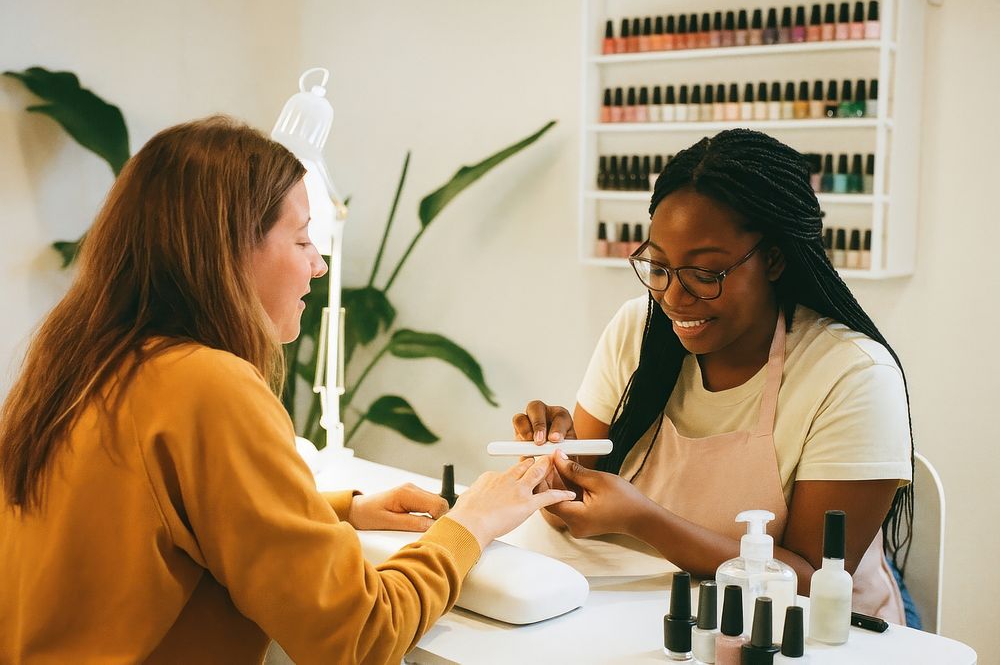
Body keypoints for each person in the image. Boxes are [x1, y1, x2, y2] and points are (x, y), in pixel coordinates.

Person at [0, 116, 574, 664]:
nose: (319, 266)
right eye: (302, 241)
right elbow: (360, 636)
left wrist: (342, 512)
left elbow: (146, 526)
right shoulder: (206, 383)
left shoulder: (78, 364)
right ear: (229, 251)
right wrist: (470, 524)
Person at [513, 129, 914, 624]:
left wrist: (643, 520)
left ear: (773, 258)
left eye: (706, 274)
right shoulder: (636, 329)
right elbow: (578, 510)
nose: (675, 298)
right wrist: (552, 469)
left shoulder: (852, 376)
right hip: (658, 615)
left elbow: (812, 581)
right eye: (659, 267)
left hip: (813, 636)